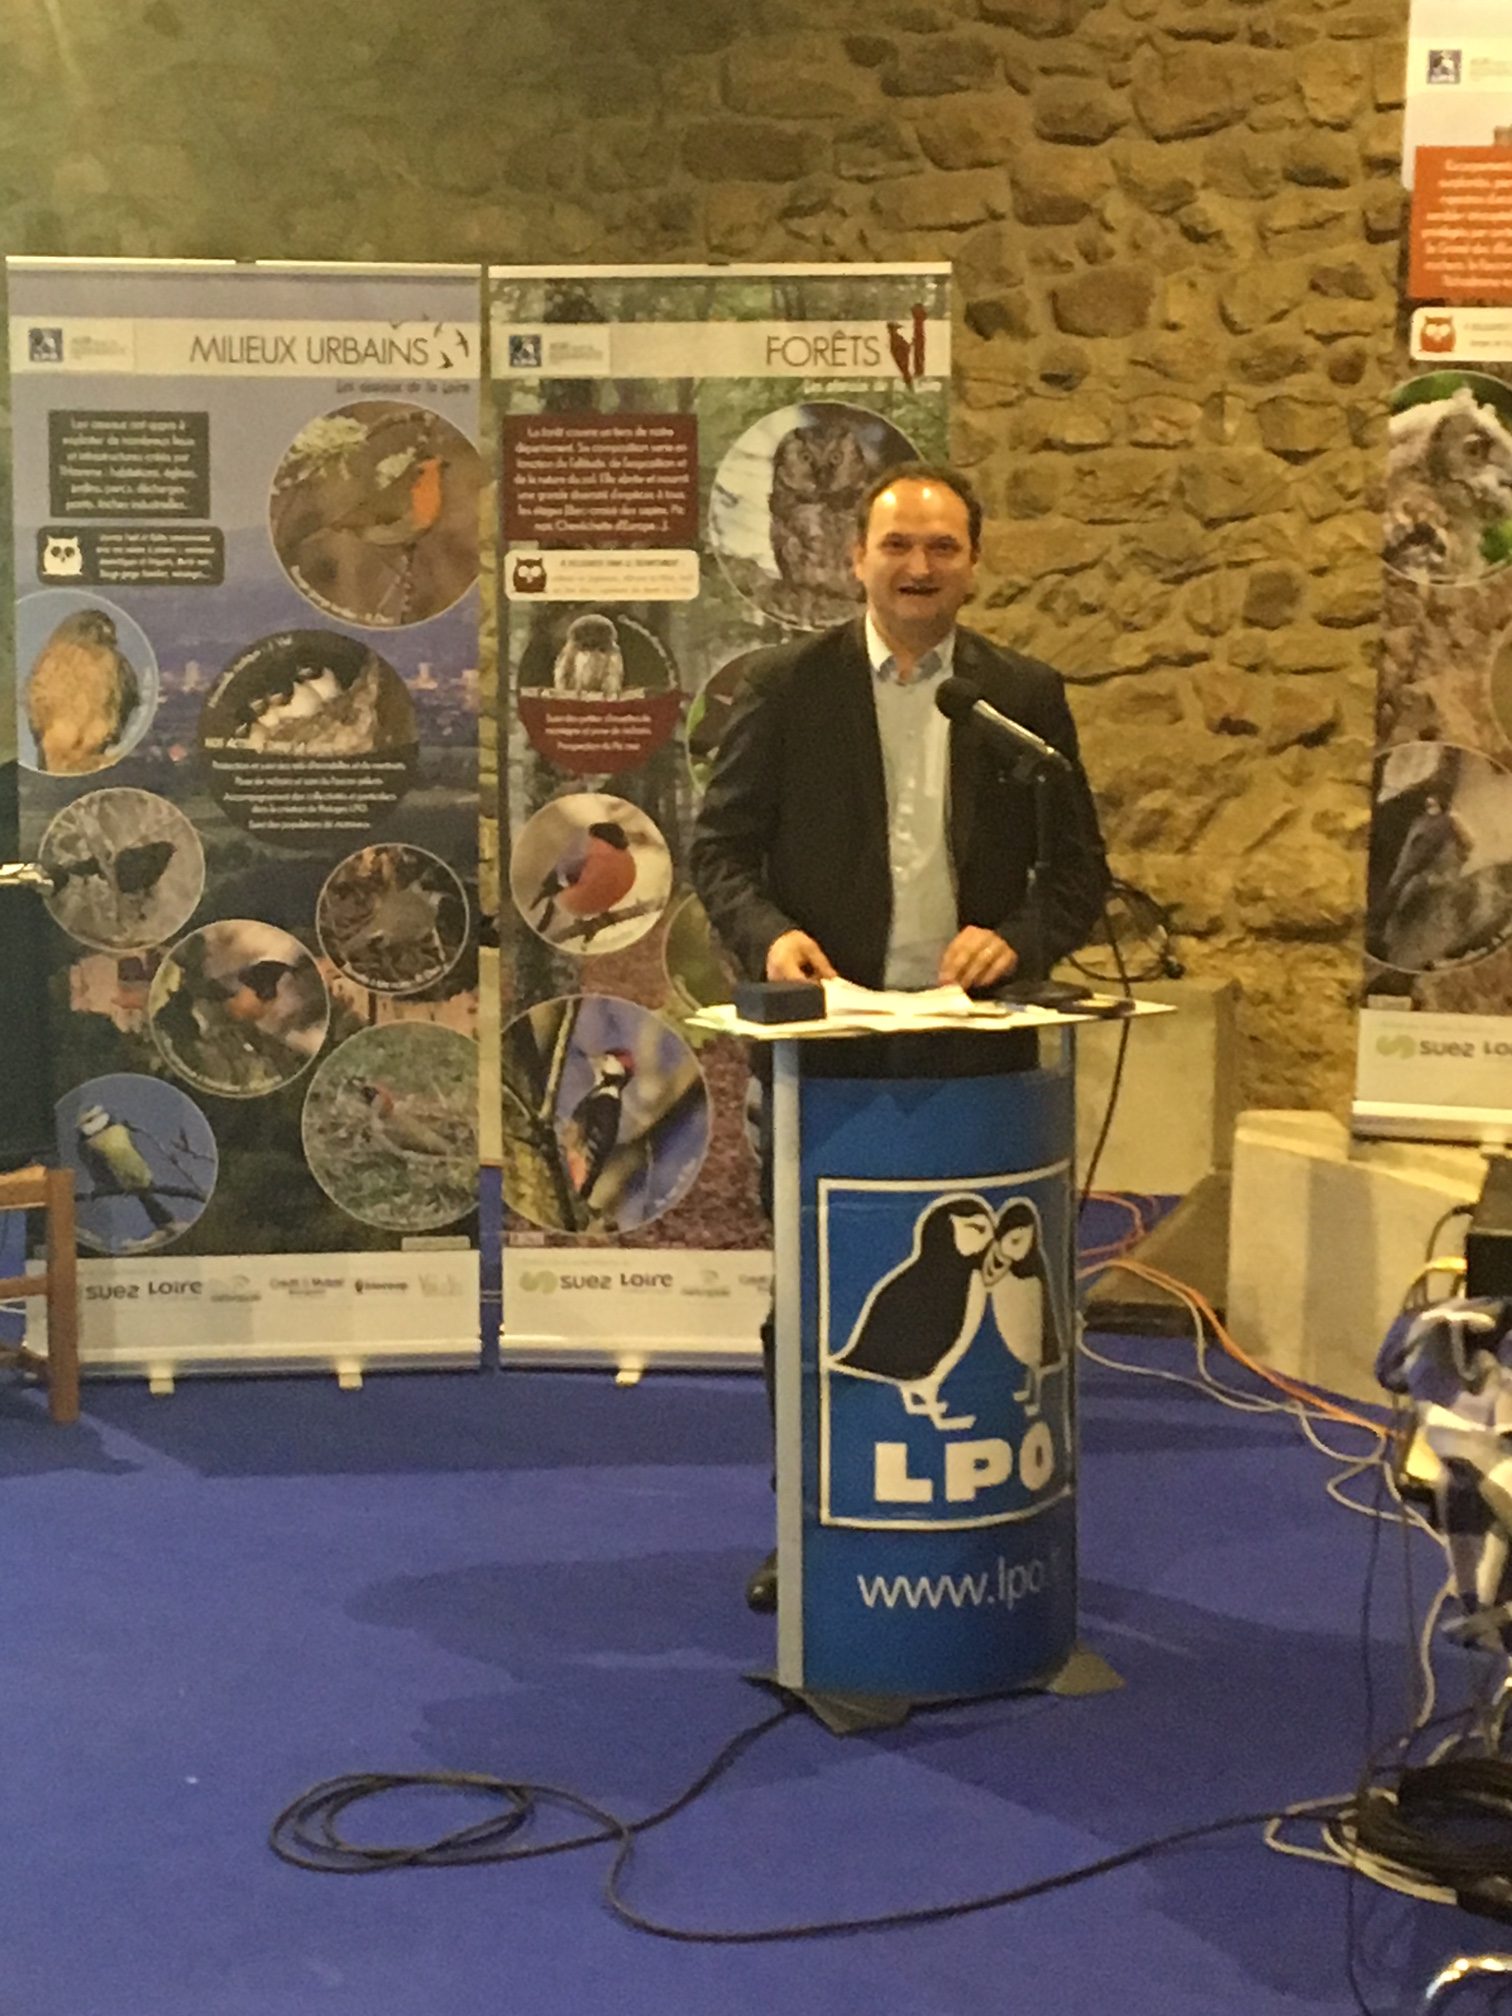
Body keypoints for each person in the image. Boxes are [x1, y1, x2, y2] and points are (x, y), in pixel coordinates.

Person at [689, 460, 1110, 1611]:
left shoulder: (1022, 694)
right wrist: (769, 938)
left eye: (942, 549)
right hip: (831, 1046)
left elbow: (1078, 876)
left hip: (980, 1054)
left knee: (979, 1299)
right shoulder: (785, 687)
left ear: (975, 561)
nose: (918, 568)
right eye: (897, 548)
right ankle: (809, 1518)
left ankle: (972, 1519)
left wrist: (1016, 941)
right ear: (855, 561)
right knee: (820, 1299)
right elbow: (718, 852)